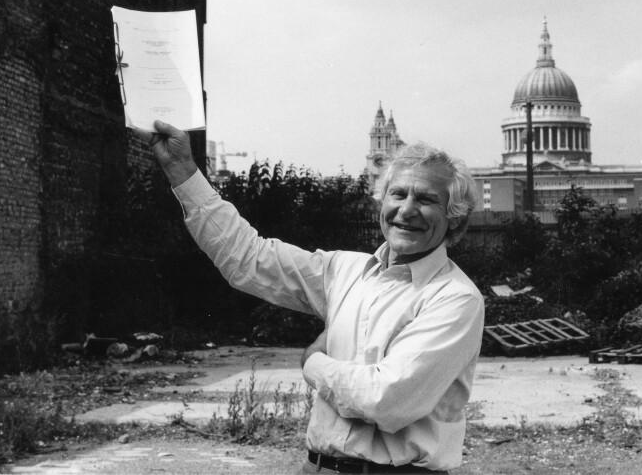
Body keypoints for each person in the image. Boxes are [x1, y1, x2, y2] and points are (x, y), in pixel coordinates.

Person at [135, 121, 484, 474]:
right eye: (398, 194)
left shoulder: (455, 298)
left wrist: (314, 362)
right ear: (382, 202)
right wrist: (181, 170)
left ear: (454, 220)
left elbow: (387, 401)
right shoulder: (345, 271)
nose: (406, 210)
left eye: (425, 199)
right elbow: (248, 258)